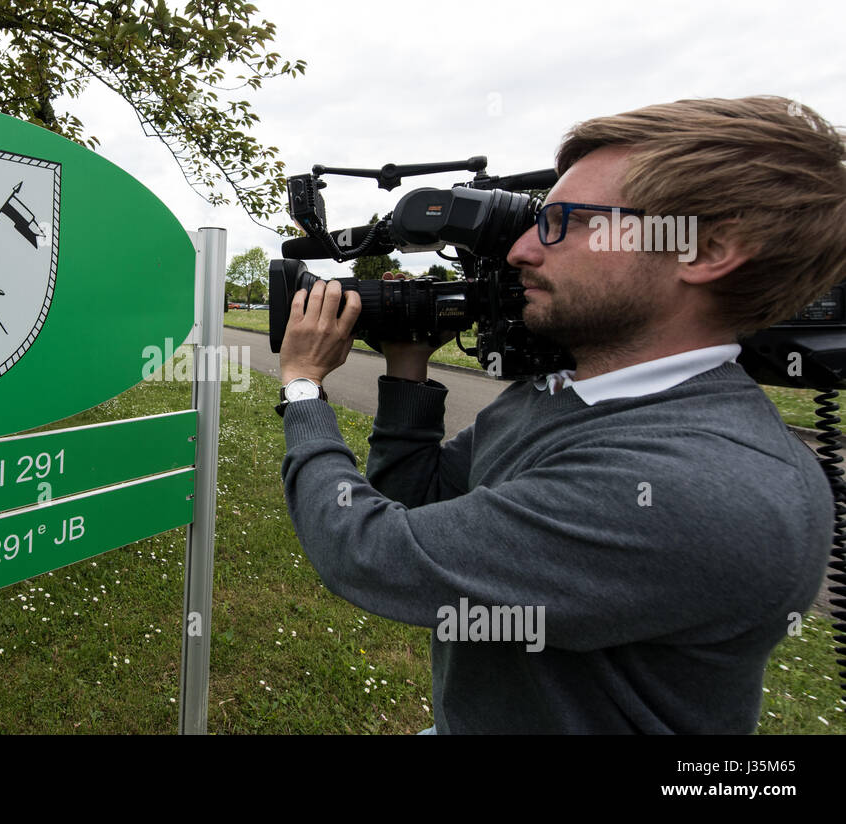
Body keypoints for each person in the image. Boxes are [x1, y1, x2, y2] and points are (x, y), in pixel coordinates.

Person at [276, 96, 846, 734]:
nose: (519, 250)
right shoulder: (570, 391)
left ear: (705, 249)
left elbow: (373, 555)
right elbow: (421, 498)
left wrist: (303, 387)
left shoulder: (702, 484)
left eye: (562, 221)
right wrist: (407, 365)